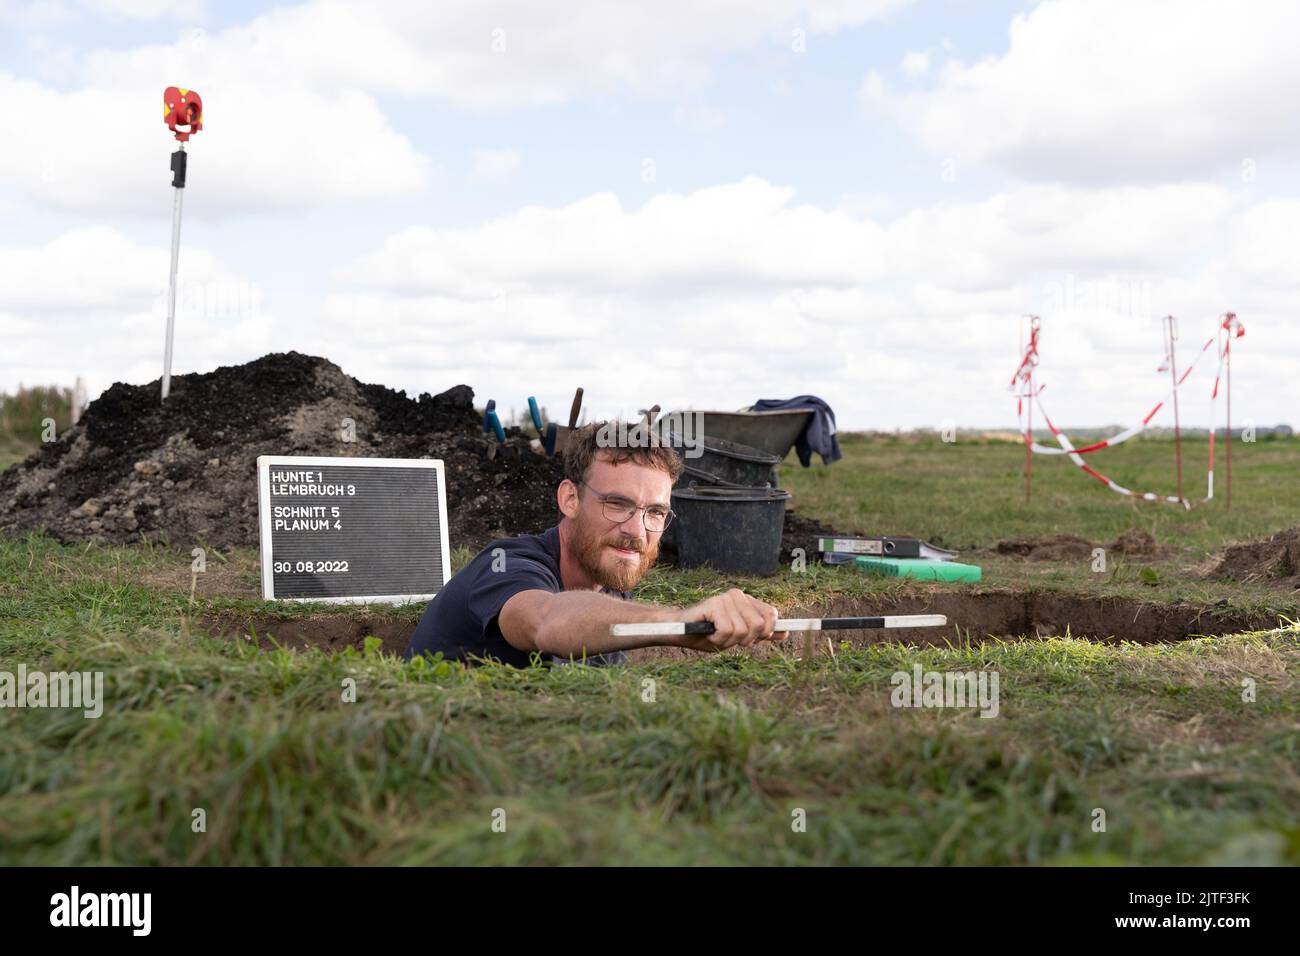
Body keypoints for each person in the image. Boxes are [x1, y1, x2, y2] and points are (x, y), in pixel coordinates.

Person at [403, 421, 788, 667]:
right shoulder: (507, 566)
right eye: (617, 504)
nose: (637, 530)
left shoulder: (611, 593)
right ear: (570, 499)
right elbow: (547, 622)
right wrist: (678, 622)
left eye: (655, 512)